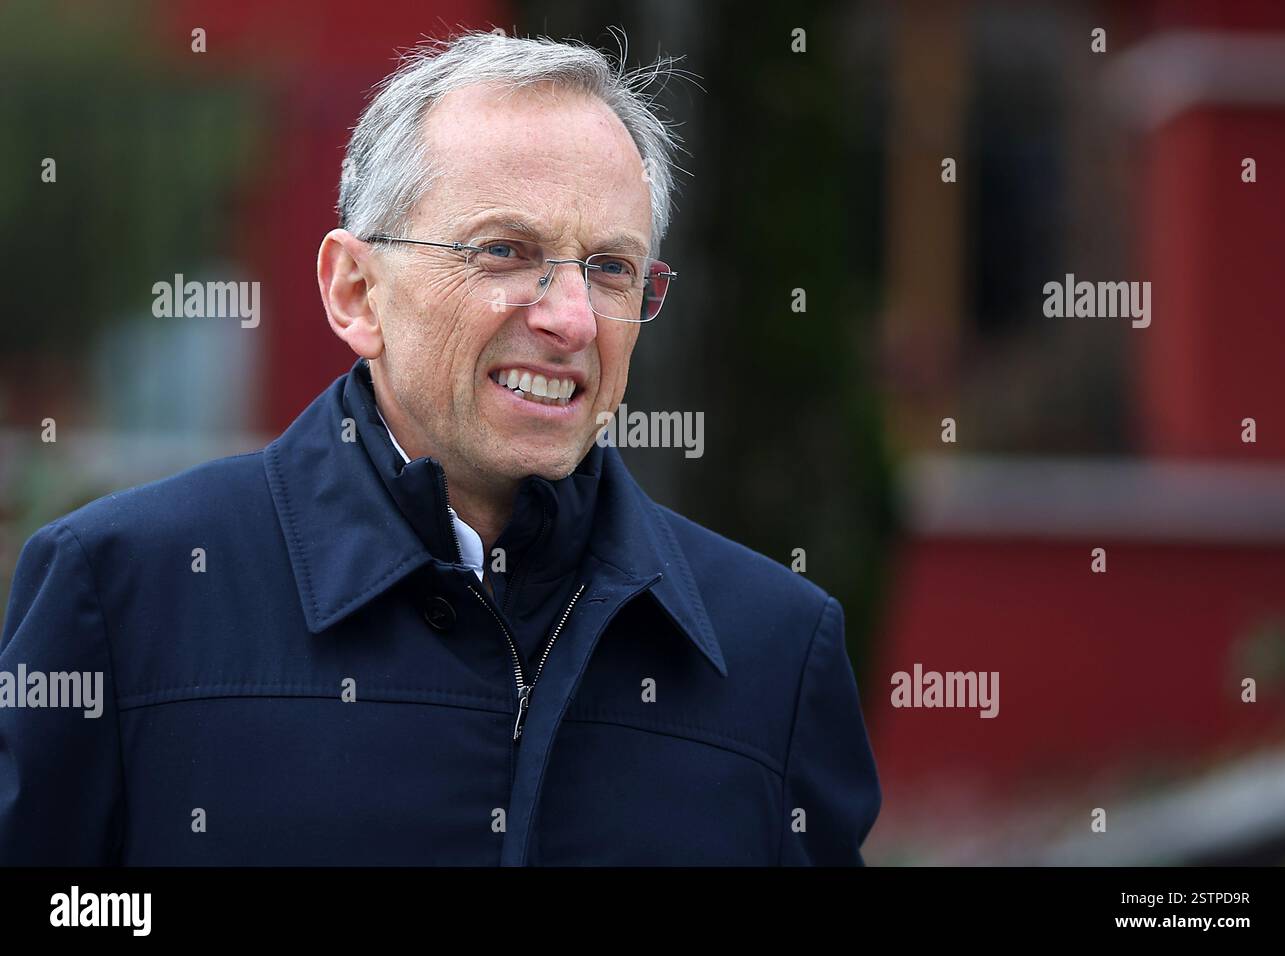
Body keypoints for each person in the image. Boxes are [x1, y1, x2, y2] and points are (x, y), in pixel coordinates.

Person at [0, 30, 881, 865]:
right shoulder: (123, 594)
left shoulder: (776, 647)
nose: (571, 318)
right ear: (355, 292)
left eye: (611, 268)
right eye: (504, 250)